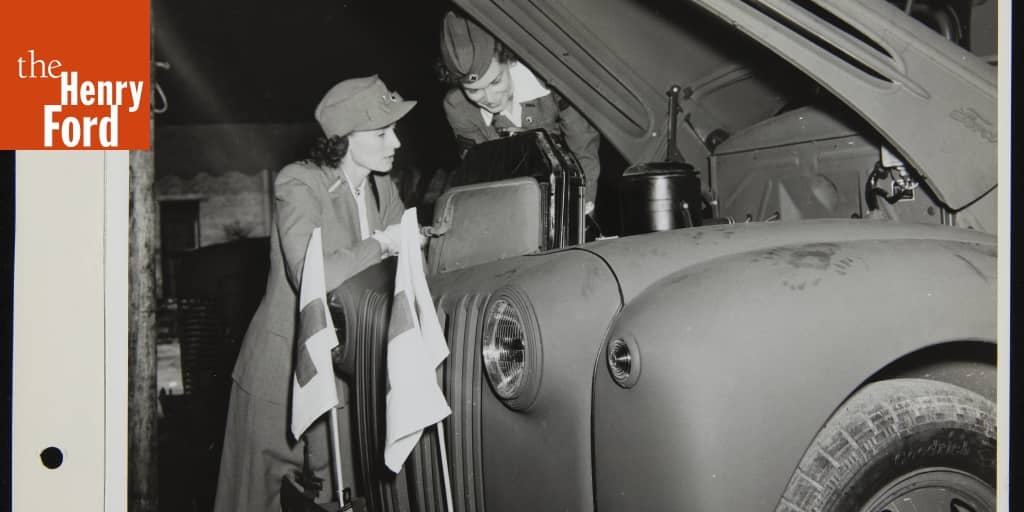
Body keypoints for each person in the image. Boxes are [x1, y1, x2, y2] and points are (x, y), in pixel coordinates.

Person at [213, 75, 414, 512]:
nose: (395, 142)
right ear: (343, 139)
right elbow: (310, 272)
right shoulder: (299, 184)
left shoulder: (385, 190)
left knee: (339, 495)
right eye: (382, 133)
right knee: (253, 500)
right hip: (281, 376)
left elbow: (406, 261)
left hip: (345, 377)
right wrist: (382, 244)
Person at [438, 11, 602, 213]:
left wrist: (581, 209)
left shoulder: (552, 84)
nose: (489, 98)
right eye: (473, 90)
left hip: (567, 180)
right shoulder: (458, 107)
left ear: (509, 60)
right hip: (511, 199)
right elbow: (483, 174)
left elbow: (583, 149)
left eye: (496, 82)